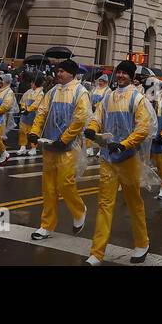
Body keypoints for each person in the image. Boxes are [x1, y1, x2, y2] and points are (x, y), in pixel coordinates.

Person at [83, 59, 153, 265]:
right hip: (108, 158)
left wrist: (123, 144)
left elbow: (143, 128)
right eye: (118, 72)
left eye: (125, 73)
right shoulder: (108, 97)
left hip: (128, 158)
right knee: (104, 204)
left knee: (134, 203)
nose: (120, 75)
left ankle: (142, 243)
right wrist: (92, 129)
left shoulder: (138, 99)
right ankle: (97, 252)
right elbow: (98, 116)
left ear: (132, 76)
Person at [27, 59, 90, 241]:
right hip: (49, 145)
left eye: (61, 71)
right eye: (57, 70)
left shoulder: (80, 92)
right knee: (49, 188)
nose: (58, 74)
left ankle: (79, 210)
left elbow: (80, 118)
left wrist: (64, 139)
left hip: (68, 147)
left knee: (65, 183)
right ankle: (46, 226)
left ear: (71, 73)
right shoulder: (53, 91)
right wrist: (34, 131)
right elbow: (42, 113)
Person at [17, 75, 45, 156]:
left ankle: (33, 148)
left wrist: (28, 110)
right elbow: (23, 101)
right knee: (22, 131)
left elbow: (36, 104)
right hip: (25, 115)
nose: (31, 84)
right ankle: (23, 146)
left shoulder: (41, 93)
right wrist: (23, 108)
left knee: (33, 132)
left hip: (34, 115)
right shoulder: (28, 92)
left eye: (33, 82)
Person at [87, 74, 109, 157]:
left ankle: (101, 150)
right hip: (92, 112)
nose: (100, 82)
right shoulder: (94, 89)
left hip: (101, 113)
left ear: (106, 82)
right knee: (91, 130)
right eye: (100, 80)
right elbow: (89, 98)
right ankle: (90, 149)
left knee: (101, 132)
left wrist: (96, 106)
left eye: (102, 81)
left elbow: (105, 102)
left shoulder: (107, 90)